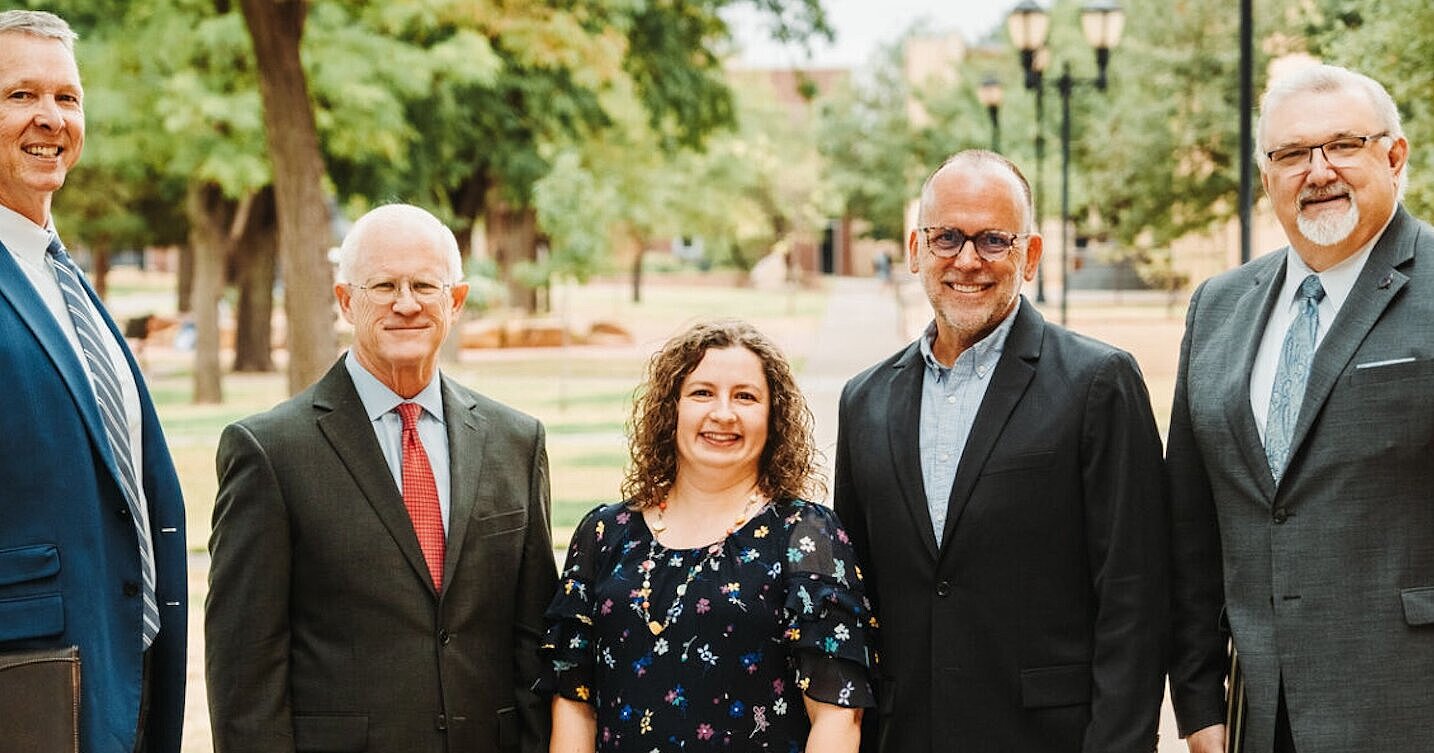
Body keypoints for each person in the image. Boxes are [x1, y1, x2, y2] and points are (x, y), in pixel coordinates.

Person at [833, 150, 1168, 753]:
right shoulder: (864, 401)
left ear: (1030, 255)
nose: (967, 260)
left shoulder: (1099, 383)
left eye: (993, 239)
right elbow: (858, 600)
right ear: (915, 249)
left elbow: (1134, 599)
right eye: (947, 238)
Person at [206, 204, 557, 753]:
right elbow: (245, 671)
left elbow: (534, 640)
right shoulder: (270, 453)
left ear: (456, 301)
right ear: (346, 300)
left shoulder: (517, 442)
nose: (406, 304)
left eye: (424, 285)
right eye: (384, 286)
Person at [1168, 64, 1434, 753]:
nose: (1318, 171)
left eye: (1343, 145)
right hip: (1260, 719)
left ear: (1394, 155)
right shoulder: (1217, 308)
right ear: (1266, 176)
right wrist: (1199, 709)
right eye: (1291, 154)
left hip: (1411, 709)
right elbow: (1190, 529)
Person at [541, 319, 874, 753]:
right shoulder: (605, 533)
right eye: (702, 393)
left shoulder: (805, 535)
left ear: (773, 417)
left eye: (746, 397)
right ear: (671, 408)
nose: (723, 413)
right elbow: (573, 703)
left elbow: (838, 716)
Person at [0, 10, 187, 753]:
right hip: (28, 691)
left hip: (124, 677)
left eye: (67, 98)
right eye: (20, 95)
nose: (50, 118)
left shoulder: (63, 279)